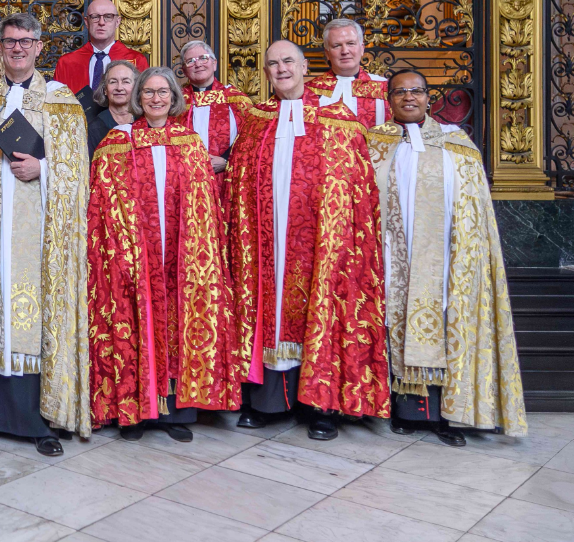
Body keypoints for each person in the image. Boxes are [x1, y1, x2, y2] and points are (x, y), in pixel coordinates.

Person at [0, 12, 92, 456]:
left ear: (40, 47)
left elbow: (78, 171)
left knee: (29, 314)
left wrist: (41, 168)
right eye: (10, 42)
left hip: (37, 232)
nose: (18, 48)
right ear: (1, 47)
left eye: (26, 42)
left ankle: (35, 419)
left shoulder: (61, 101)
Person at [227, 40, 389, 441]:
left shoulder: (338, 119)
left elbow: (357, 188)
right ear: (266, 73)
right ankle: (266, 403)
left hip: (320, 240)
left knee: (321, 306)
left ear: (304, 67)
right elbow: (238, 184)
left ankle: (321, 406)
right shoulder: (255, 119)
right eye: (272, 64)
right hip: (264, 240)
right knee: (270, 308)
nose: (281, 69)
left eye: (288, 61)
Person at [367, 70, 527, 446]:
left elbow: (475, 212)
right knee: (396, 323)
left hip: (445, 260)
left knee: (442, 326)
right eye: (401, 92)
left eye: (417, 91)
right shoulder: (373, 144)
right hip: (392, 256)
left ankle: (446, 417)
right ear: (389, 99)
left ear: (428, 97)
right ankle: (402, 412)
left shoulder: (458, 145)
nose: (409, 98)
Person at [88, 67, 241, 442]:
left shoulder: (190, 143)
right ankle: (134, 411)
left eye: (163, 92)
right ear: (138, 98)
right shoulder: (116, 142)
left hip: (181, 257)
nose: (156, 99)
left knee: (177, 326)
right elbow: (102, 204)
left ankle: (176, 414)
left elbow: (205, 208)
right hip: (134, 255)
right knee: (135, 322)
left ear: (174, 98)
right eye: (149, 92)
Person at [179, 39, 250, 181]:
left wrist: (225, 159)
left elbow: (249, 137)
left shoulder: (236, 99)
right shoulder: (175, 101)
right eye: (190, 61)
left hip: (226, 177)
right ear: (184, 70)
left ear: (214, 63)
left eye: (203, 58)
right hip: (186, 177)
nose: (198, 64)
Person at [52, 0, 148, 98]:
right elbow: (58, 104)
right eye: (95, 17)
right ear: (86, 22)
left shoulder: (137, 60)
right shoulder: (66, 63)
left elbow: (142, 100)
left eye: (108, 16)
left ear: (117, 22)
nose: (101, 22)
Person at [306, 18, 387, 130]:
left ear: (362, 49)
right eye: (337, 46)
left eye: (350, 44)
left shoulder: (384, 88)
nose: (345, 51)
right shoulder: (309, 91)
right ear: (327, 54)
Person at [86, 60, 138, 152]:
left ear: (135, 88)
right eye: (113, 82)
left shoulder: (143, 122)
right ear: (105, 89)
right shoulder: (94, 129)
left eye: (126, 82)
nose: (119, 88)